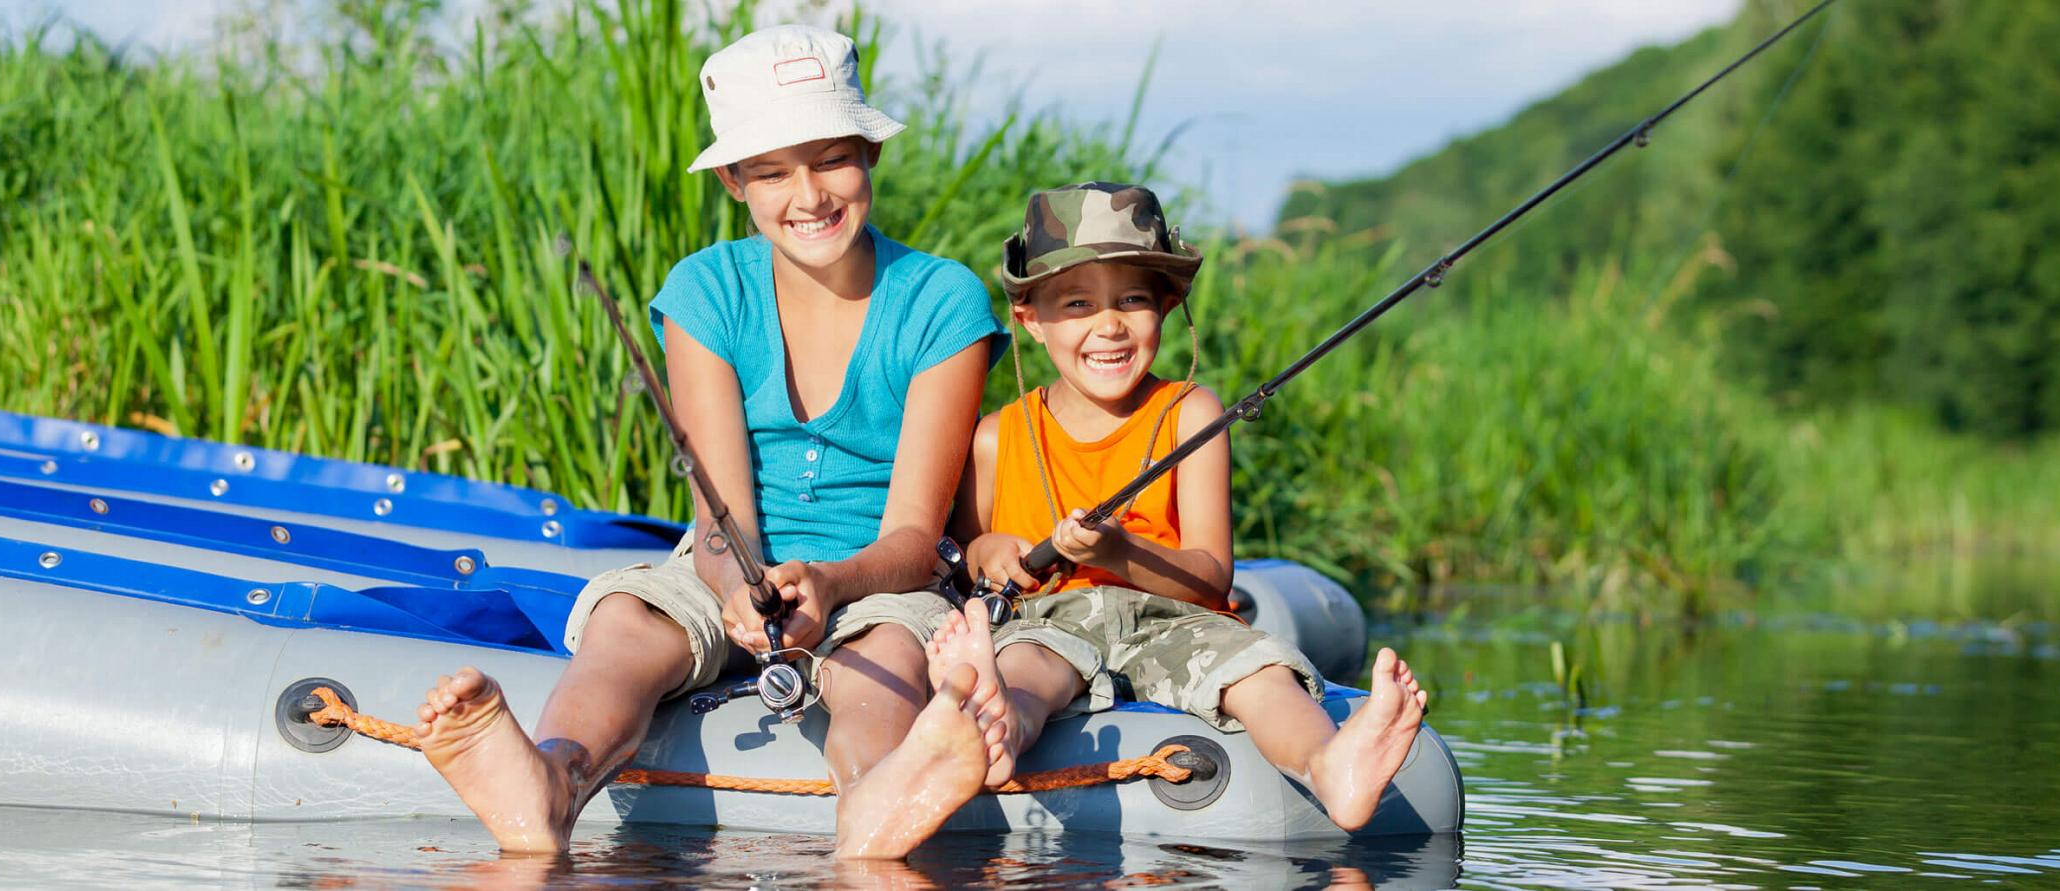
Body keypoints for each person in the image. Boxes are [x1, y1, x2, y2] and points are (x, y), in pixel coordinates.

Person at [406, 24, 1007, 856]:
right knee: (624, 621)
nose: (809, 195)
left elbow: (914, 534)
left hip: (879, 579)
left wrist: (829, 583)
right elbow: (718, 510)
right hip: (731, 564)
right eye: (770, 171)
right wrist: (743, 591)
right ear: (733, 180)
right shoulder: (704, 291)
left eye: (832, 158)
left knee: (889, 666)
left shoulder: (943, 301)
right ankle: (551, 775)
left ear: (871, 153)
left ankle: (874, 805)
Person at [887, 182, 1434, 856]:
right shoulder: (998, 437)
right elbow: (964, 555)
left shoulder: (1191, 416)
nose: (1108, 325)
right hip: (1050, 621)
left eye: (1133, 300)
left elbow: (1210, 579)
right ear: (1030, 317)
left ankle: (1332, 763)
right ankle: (992, 731)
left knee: (1258, 672)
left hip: (1173, 619)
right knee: (1026, 667)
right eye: (1078, 304)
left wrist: (1119, 551)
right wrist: (989, 549)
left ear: (1168, 306)